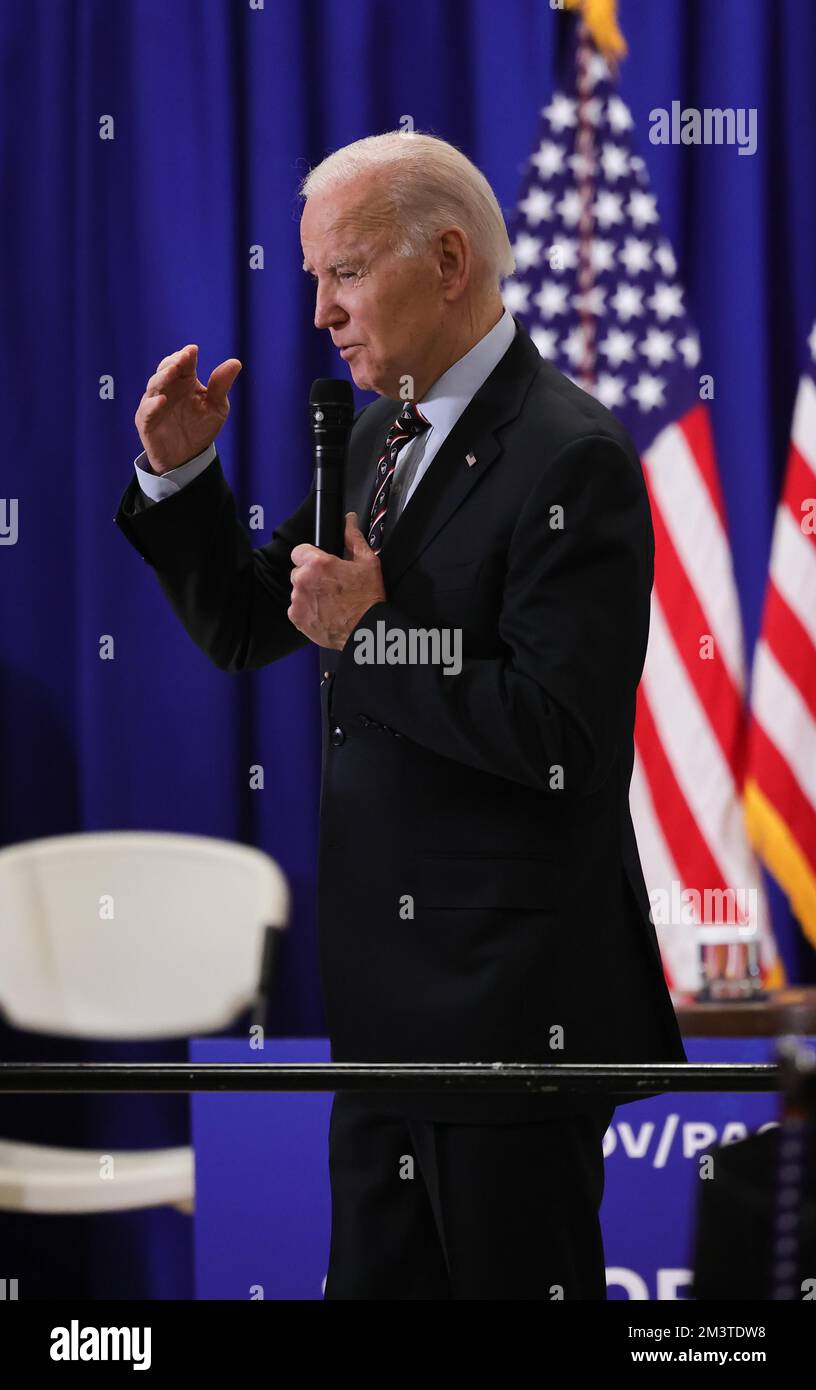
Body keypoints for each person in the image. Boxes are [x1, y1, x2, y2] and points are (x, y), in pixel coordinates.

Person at [115, 130, 687, 1300]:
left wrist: (375, 636)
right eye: (315, 275)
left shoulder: (571, 455)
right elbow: (247, 623)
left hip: (514, 1020)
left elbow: (562, 741)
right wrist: (182, 481)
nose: (320, 309)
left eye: (346, 273)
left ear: (448, 259)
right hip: (385, 1015)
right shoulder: (378, 431)